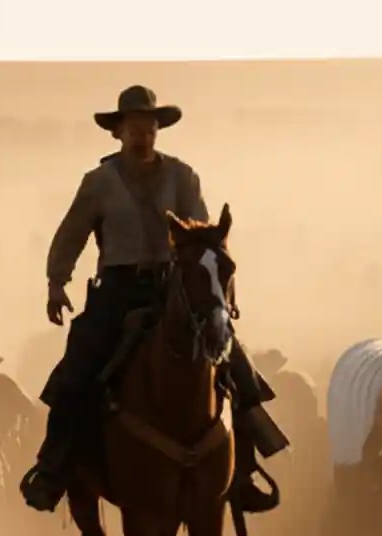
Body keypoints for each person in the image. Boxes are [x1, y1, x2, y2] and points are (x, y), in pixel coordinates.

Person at [18, 84, 290, 514]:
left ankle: (244, 467)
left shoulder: (182, 176)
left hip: (174, 285)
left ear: (157, 129)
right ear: (118, 131)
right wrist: (57, 281)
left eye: (149, 126)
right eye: (134, 127)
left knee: (229, 355)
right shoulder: (99, 183)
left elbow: (202, 232)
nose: (142, 134)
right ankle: (52, 468)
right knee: (78, 367)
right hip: (119, 289)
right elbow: (72, 232)